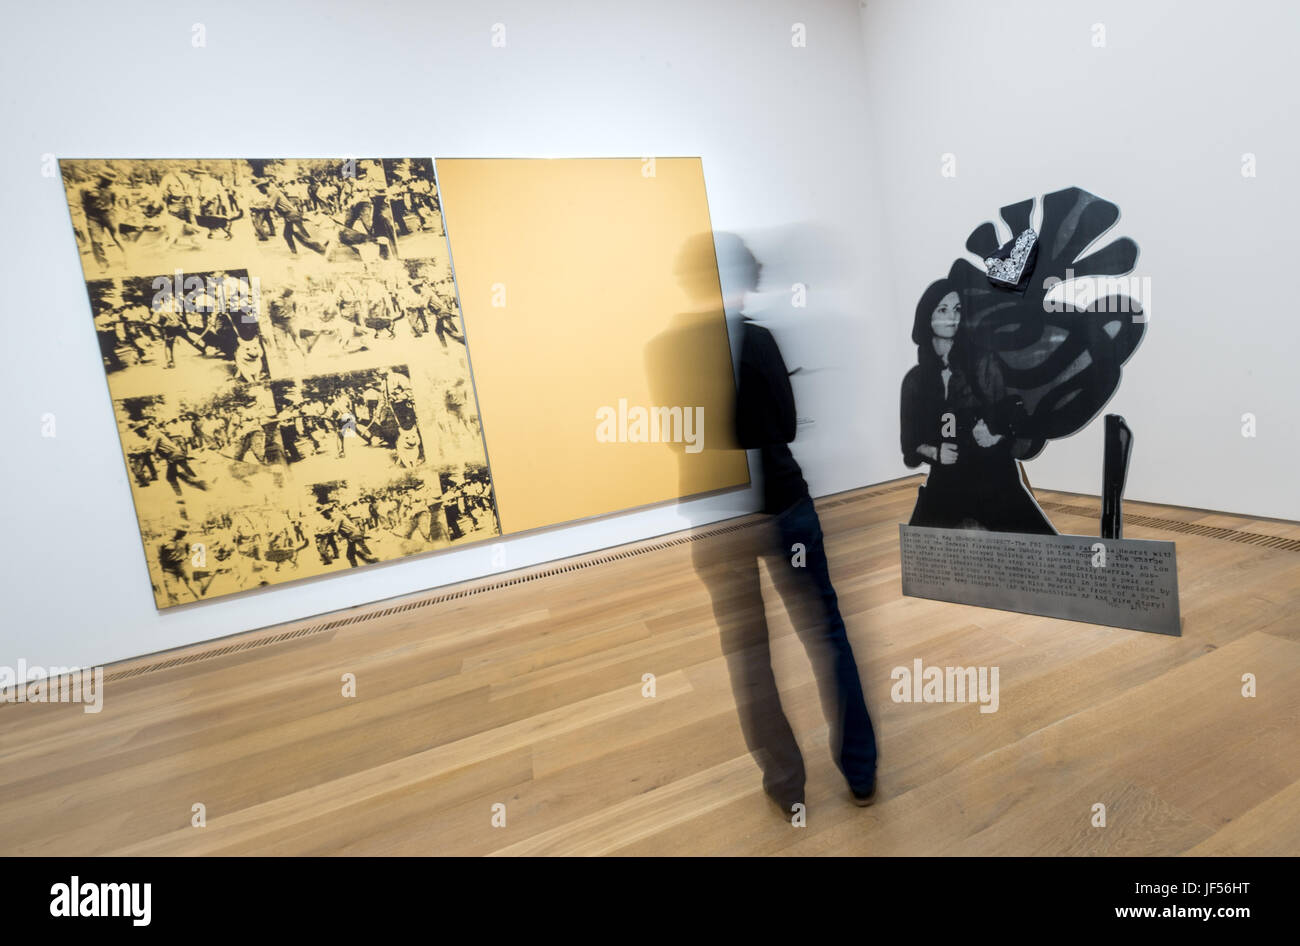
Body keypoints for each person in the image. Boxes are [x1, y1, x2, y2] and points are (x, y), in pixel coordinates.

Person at [900, 279, 1056, 533]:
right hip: (946, 483)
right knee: (924, 552)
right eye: (943, 309)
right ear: (926, 316)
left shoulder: (982, 362)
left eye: (958, 309)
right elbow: (910, 443)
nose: (952, 317)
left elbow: (1012, 412)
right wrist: (935, 452)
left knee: (1041, 550)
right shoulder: (915, 381)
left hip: (993, 478)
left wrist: (995, 430)